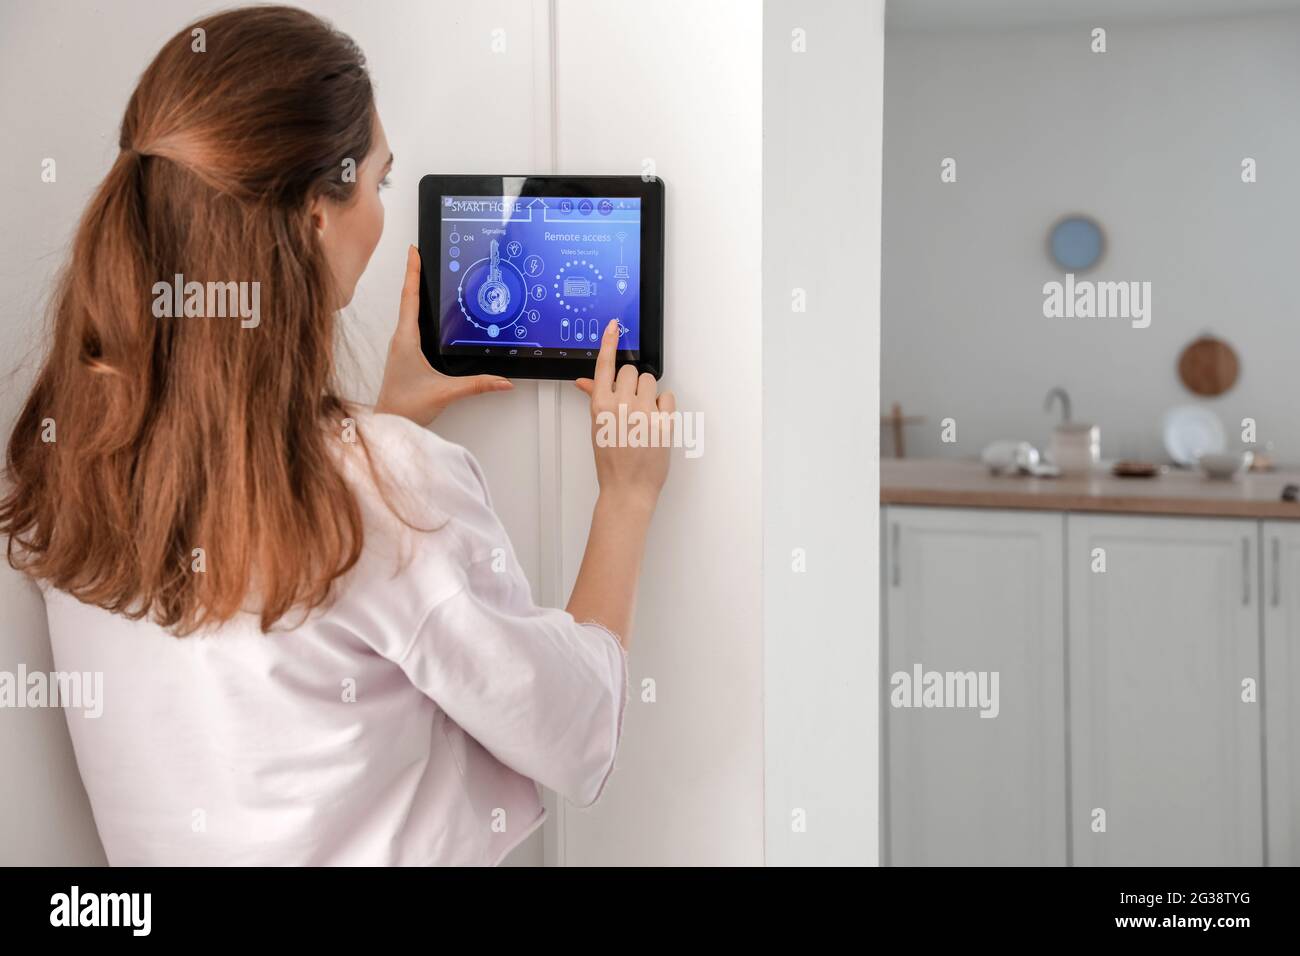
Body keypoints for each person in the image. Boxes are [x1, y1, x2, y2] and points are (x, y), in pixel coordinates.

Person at [0, 5, 672, 866]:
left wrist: (377, 425)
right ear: (318, 214)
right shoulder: (386, 493)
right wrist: (627, 496)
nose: (384, 214)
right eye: (381, 183)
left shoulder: (68, 470)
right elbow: (573, 727)